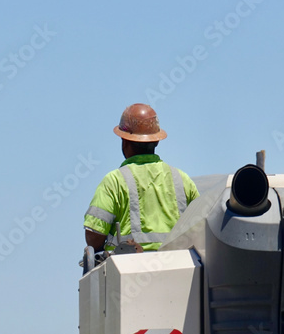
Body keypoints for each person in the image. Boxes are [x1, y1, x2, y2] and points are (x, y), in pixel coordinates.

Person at [84, 103, 200, 256]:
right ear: (156, 141)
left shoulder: (114, 181)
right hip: (179, 269)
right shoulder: (182, 179)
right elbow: (201, 228)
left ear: (124, 141)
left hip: (127, 272)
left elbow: (94, 237)